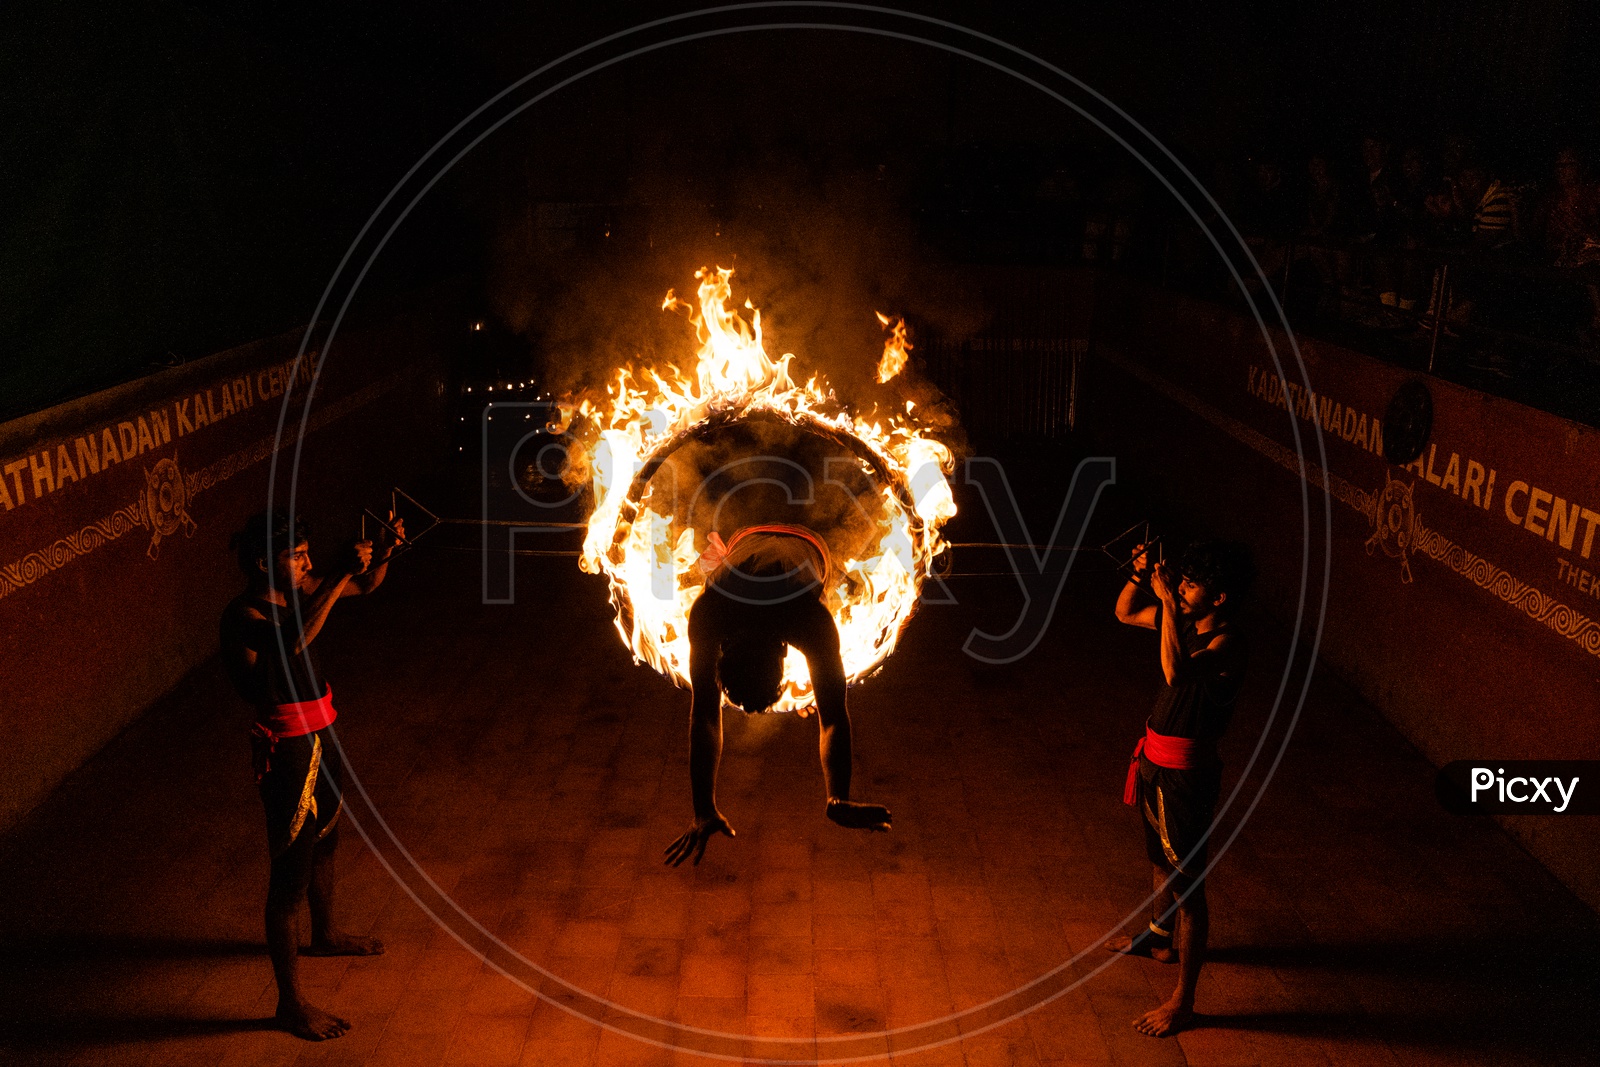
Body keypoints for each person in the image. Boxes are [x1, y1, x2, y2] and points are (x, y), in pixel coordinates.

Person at [219, 507, 402, 1040]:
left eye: (306, 555)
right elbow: (292, 641)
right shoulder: (242, 615)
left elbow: (365, 586)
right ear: (262, 563)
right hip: (288, 747)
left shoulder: (299, 591)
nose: (306, 564)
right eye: (295, 556)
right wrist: (339, 571)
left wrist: (382, 552)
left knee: (328, 840)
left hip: (323, 731)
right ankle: (290, 1004)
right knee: (289, 876)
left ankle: (324, 934)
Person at [664, 523, 891, 867]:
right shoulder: (718, 613)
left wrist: (704, 808)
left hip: (804, 533)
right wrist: (836, 796)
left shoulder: (798, 619)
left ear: (784, 651)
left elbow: (706, 715)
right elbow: (832, 717)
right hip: (757, 529)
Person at [1105, 540, 1254, 1038]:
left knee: (1189, 888)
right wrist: (1138, 573)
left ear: (1220, 598)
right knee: (1159, 860)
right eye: (1181, 581)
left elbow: (1176, 673)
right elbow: (1125, 613)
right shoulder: (1184, 622)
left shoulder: (1228, 643)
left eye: (1192, 585)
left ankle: (1183, 1002)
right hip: (1153, 761)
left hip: (1187, 777)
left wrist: (1169, 602)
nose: (1182, 589)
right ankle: (1158, 938)